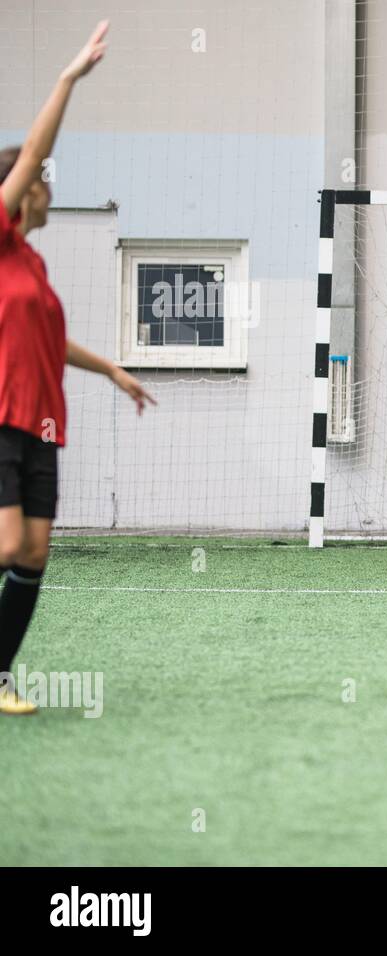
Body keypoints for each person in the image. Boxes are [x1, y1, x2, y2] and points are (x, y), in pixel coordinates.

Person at [0, 21, 157, 716]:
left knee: (32, 554)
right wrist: (67, 80)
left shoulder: (33, 266)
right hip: (2, 418)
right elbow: (34, 149)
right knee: (6, 540)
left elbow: (53, 344)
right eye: (38, 180)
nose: (46, 185)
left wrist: (114, 371)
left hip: (43, 425)